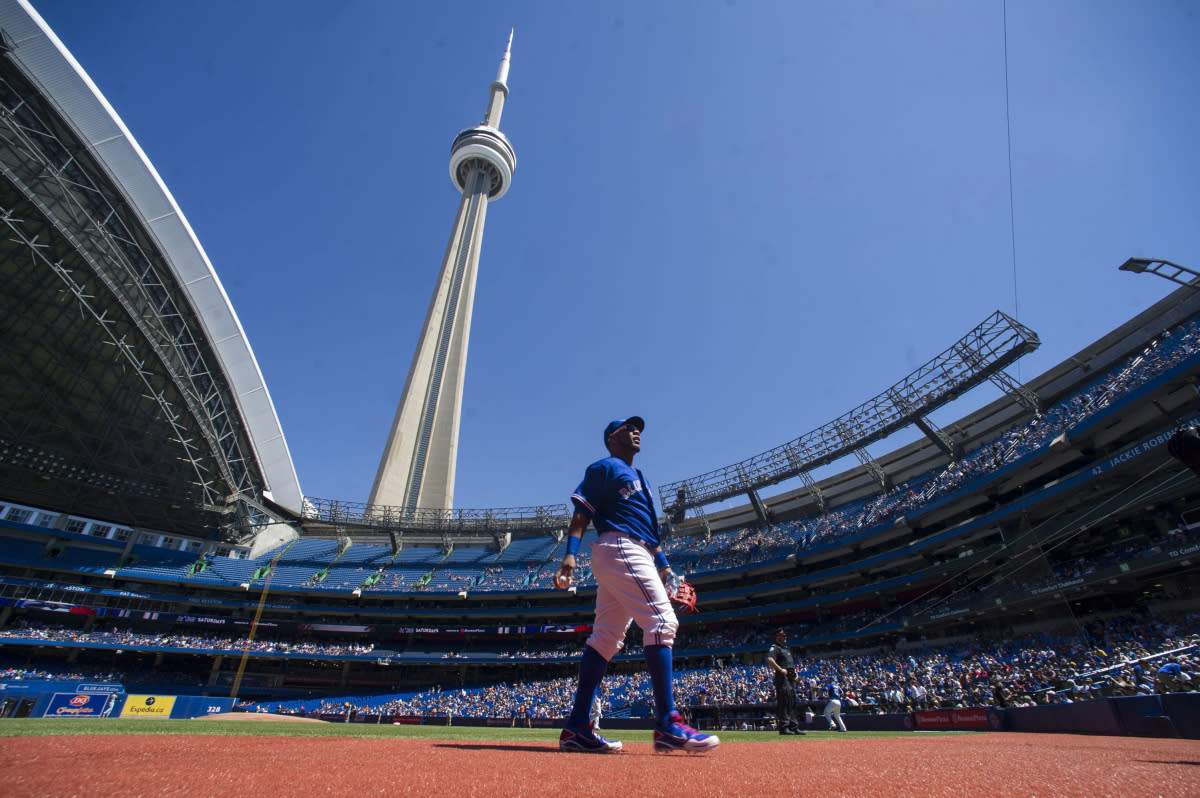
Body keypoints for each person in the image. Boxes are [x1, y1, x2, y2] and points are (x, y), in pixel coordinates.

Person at [556, 416, 719, 754]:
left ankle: (576, 728)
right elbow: (581, 514)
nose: (636, 432)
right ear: (612, 438)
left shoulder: (641, 479)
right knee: (661, 623)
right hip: (620, 546)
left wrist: (665, 568)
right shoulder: (604, 467)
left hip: (636, 550)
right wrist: (569, 556)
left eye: (639, 428)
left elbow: (652, 536)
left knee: (605, 639)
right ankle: (668, 724)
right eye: (628, 428)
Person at [765, 629, 805, 735]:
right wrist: (780, 669)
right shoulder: (775, 648)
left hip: (790, 676)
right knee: (785, 701)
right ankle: (784, 727)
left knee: (792, 701)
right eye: (783, 636)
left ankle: (794, 726)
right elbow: (770, 659)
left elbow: (790, 664)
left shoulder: (786, 648)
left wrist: (795, 675)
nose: (785, 638)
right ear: (777, 637)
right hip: (782, 676)